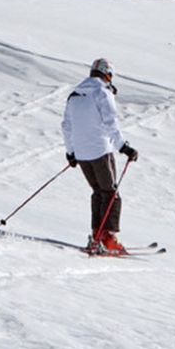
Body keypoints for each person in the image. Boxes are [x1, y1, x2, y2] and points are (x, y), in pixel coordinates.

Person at [62, 56, 139, 255]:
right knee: (111, 194)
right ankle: (108, 238)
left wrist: (71, 153)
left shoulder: (75, 95)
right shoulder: (102, 93)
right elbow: (110, 123)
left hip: (82, 154)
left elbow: (67, 126)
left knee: (99, 192)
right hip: (100, 151)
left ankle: (97, 235)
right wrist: (124, 148)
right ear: (108, 75)